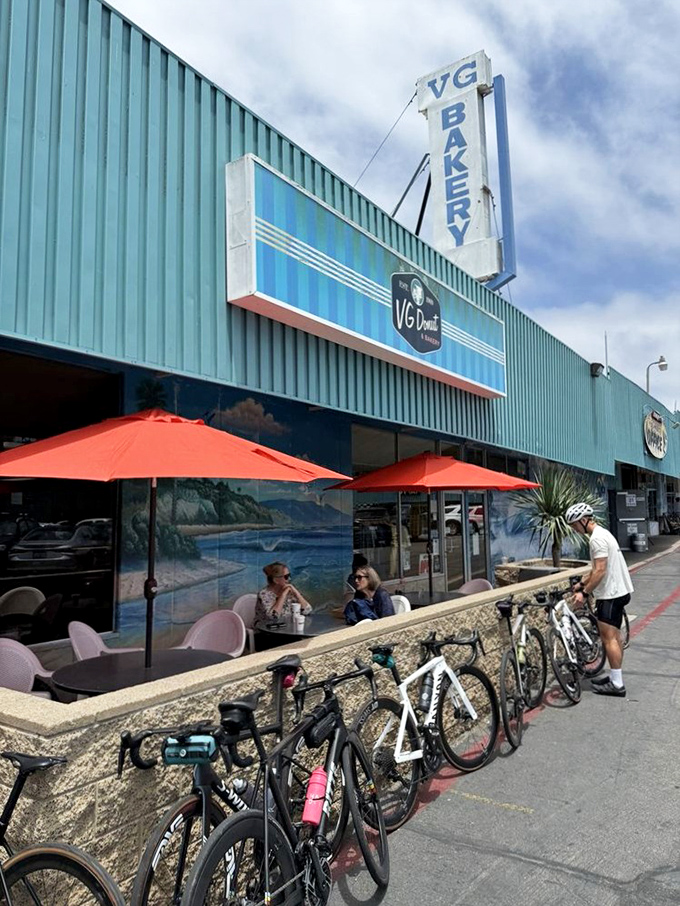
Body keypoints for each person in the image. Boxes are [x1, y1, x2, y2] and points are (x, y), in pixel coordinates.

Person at [565, 502, 633, 697]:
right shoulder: (603, 534)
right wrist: (582, 583)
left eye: (575, 525)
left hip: (611, 594)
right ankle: (614, 677)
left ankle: (617, 684)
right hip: (618, 591)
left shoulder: (596, 540)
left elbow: (601, 571)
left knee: (609, 638)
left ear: (584, 520)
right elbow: (597, 569)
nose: (574, 530)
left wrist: (584, 592)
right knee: (615, 636)